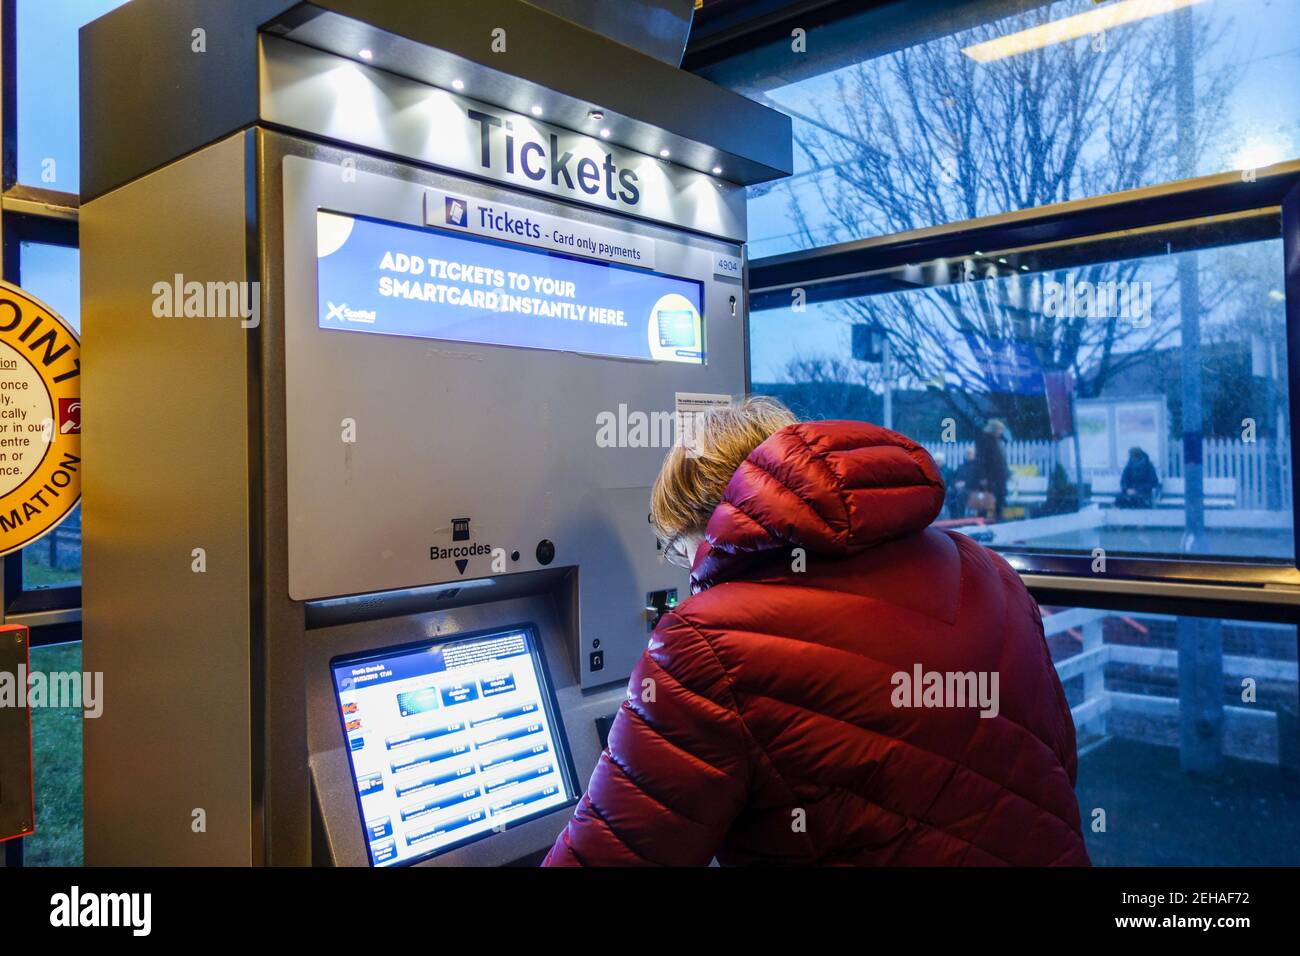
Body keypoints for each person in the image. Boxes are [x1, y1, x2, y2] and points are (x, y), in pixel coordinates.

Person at [543, 397, 1089, 866]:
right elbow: (1056, 759)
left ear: (716, 522)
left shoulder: (705, 645)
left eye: (679, 550)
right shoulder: (987, 570)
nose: (686, 577)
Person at [973, 418, 1010, 520]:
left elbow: (1001, 460)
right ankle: (981, 519)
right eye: (999, 429)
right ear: (993, 429)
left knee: (1000, 497)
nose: (1001, 432)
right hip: (990, 476)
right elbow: (981, 460)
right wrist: (983, 477)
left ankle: (998, 517)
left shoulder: (997, 441)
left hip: (999, 476)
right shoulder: (984, 440)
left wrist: (1007, 473)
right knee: (987, 499)